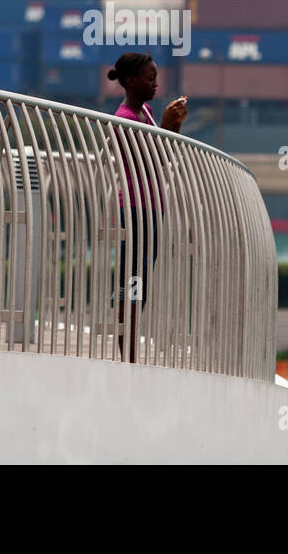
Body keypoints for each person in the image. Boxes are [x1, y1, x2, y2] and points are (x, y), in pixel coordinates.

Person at [106, 52, 187, 362]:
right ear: (131, 81)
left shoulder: (148, 113)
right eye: (150, 78)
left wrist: (172, 125)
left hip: (152, 208)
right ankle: (127, 356)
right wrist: (167, 125)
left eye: (156, 78)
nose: (155, 84)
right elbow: (148, 164)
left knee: (142, 282)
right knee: (131, 281)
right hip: (135, 209)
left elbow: (162, 155)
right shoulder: (124, 119)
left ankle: (131, 352)